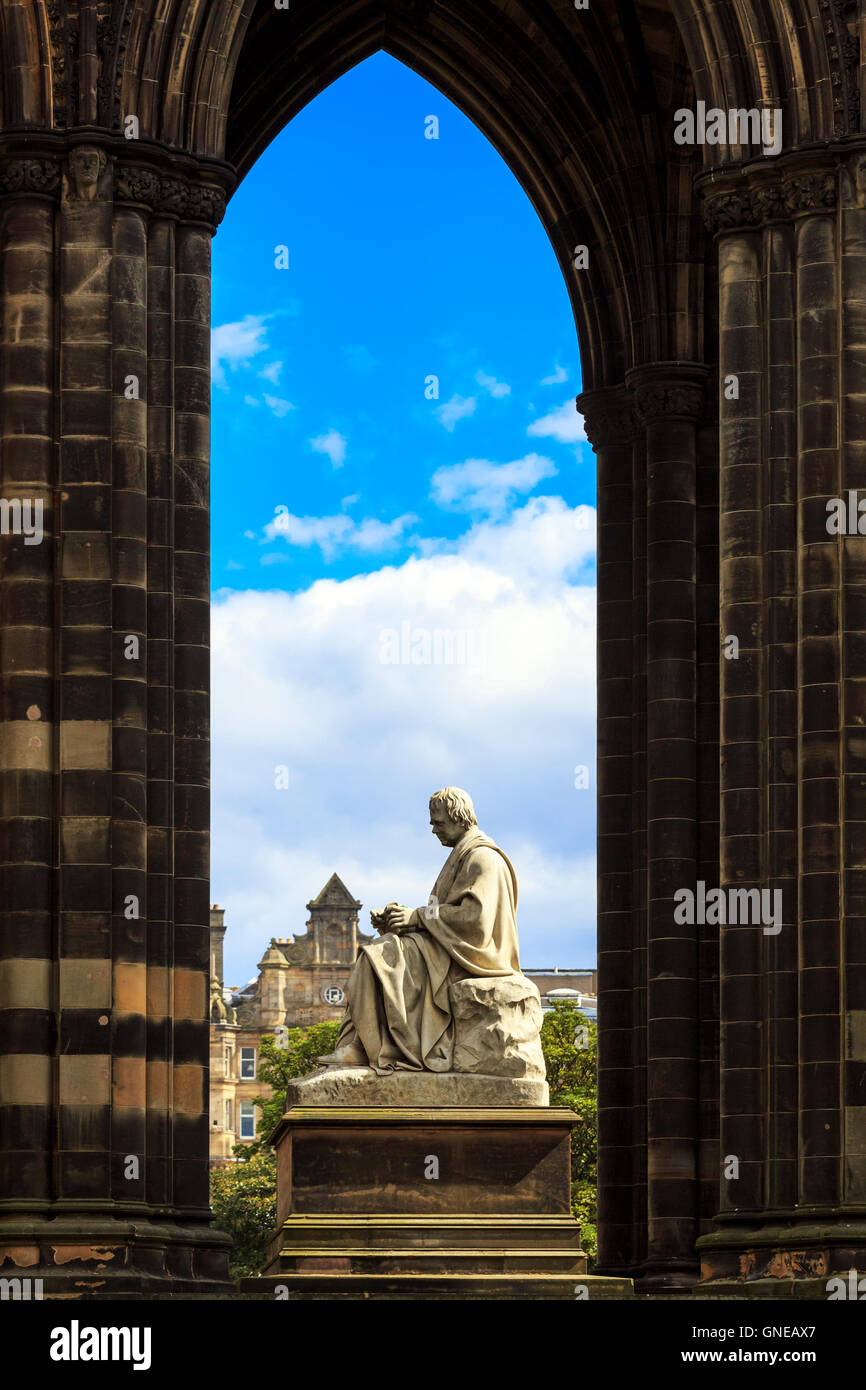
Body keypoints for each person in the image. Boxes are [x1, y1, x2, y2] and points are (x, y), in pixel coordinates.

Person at [318, 787, 520, 1074]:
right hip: (450, 947)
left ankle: (368, 1047)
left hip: (475, 957)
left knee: (379, 957)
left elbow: (476, 920)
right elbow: (440, 915)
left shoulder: (482, 858)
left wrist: (416, 917)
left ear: (459, 818)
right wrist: (398, 920)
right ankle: (360, 1044)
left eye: (438, 823)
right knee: (378, 952)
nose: (433, 829)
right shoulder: (461, 856)